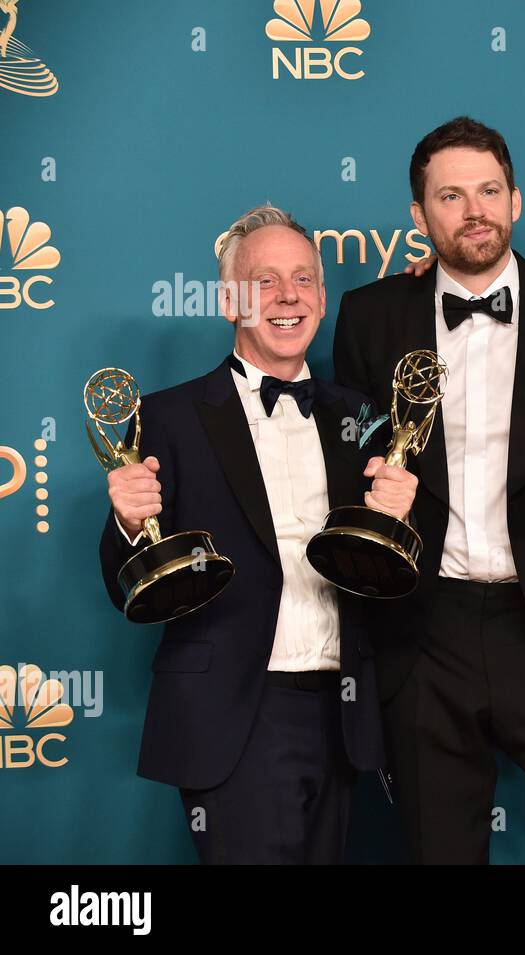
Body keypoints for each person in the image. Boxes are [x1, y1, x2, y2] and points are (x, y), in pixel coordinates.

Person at [333, 116, 525, 864]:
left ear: (515, 200)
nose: (473, 210)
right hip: (425, 630)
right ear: (419, 215)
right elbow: (349, 457)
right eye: (450, 195)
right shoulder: (371, 315)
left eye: (488, 191)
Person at [99, 205, 413, 863]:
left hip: (342, 711)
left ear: (323, 297)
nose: (288, 296)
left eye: (303, 278)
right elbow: (122, 581)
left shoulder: (360, 417)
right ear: (229, 298)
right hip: (235, 711)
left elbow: (386, 573)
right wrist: (131, 523)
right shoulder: (168, 416)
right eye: (265, 280)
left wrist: (396, 519)